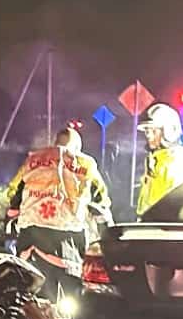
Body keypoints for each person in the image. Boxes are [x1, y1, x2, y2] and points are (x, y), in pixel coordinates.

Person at [7, 125, 110, 297]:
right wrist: (105, 233)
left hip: (32, 236)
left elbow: (14, 192)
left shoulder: (33, 159)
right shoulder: (86, 163)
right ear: (78, 148)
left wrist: (11, 225)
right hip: (68, 240)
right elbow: (101, 201)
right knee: (73, 293)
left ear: (55, 143)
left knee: (33, 289)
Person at [136, 103, 183, 215]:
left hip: (164, 226)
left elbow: (176, 203)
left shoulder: (177, 161)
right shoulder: (154, 160)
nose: (148, 136)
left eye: (154, 131)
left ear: (169, 132)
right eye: (147, 131)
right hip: (150, 225)